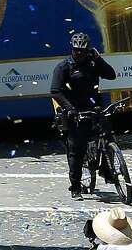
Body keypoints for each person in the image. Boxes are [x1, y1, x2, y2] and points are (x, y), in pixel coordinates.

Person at [51, 32, 118, 199]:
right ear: (72, 50)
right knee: (76, 150)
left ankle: (106, 169)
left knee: (109, 137)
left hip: (94, 108)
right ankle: (75, 185)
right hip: (75, 112)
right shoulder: (64, 67)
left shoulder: (93, 63)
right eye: (76, 51)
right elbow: (56, 91)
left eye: (83, 51)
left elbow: (111, 75)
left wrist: (99, 58)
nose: (79, 54)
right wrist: (69, 108)